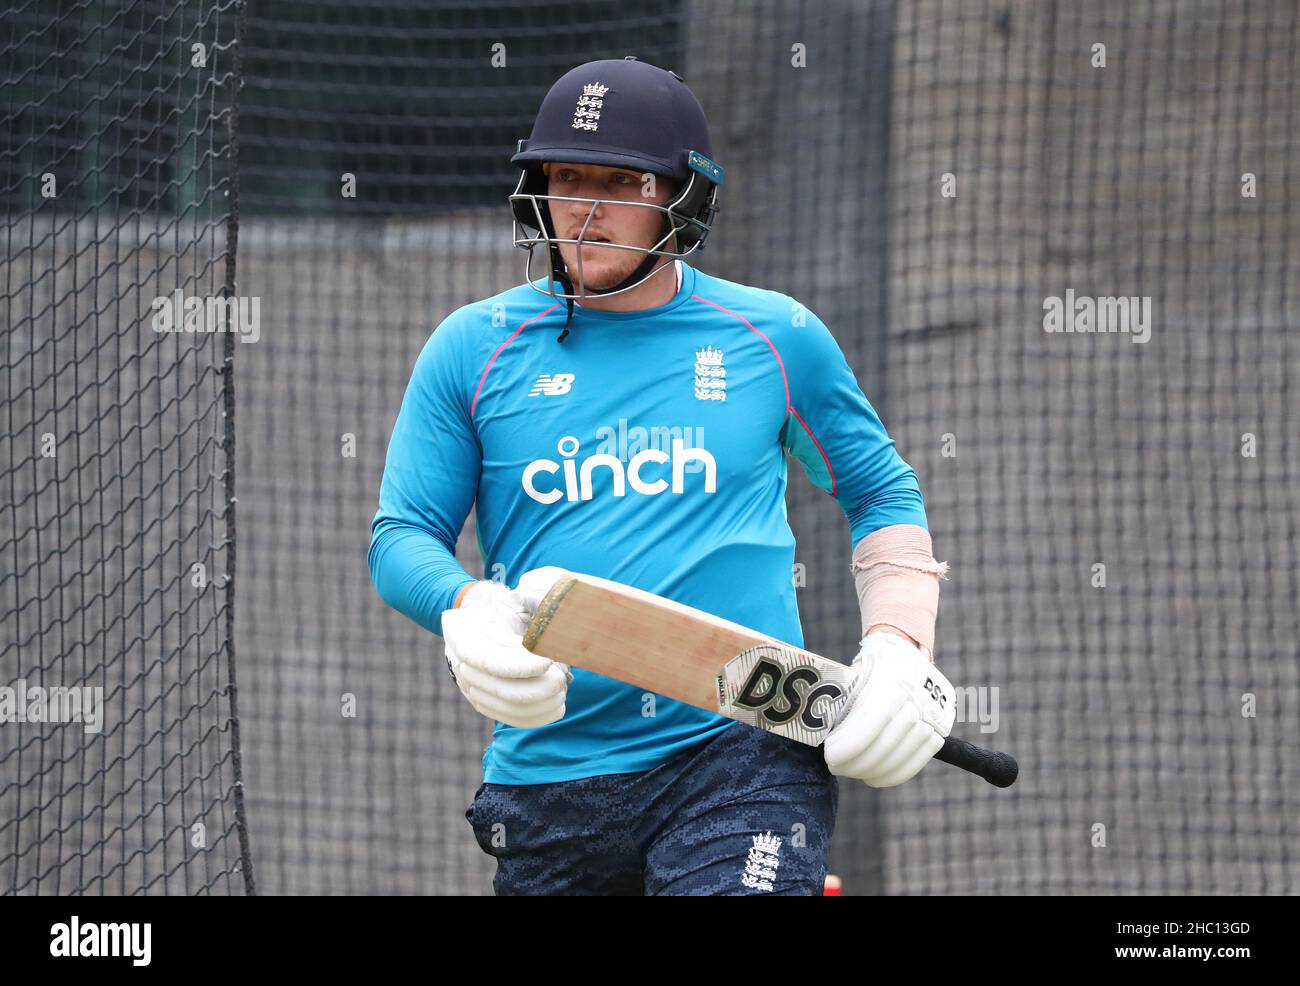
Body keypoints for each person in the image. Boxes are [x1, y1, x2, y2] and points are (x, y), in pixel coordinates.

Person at [368, 56, 956, 895]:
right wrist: (466, 606)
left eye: (623, 182)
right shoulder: (472, 345)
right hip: (547, 783)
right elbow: (401, 540)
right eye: (567, 177)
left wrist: (899, 647)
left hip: (747, 748)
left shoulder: (775, 336)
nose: (588, 209)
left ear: (684, 197)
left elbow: (881, 493)